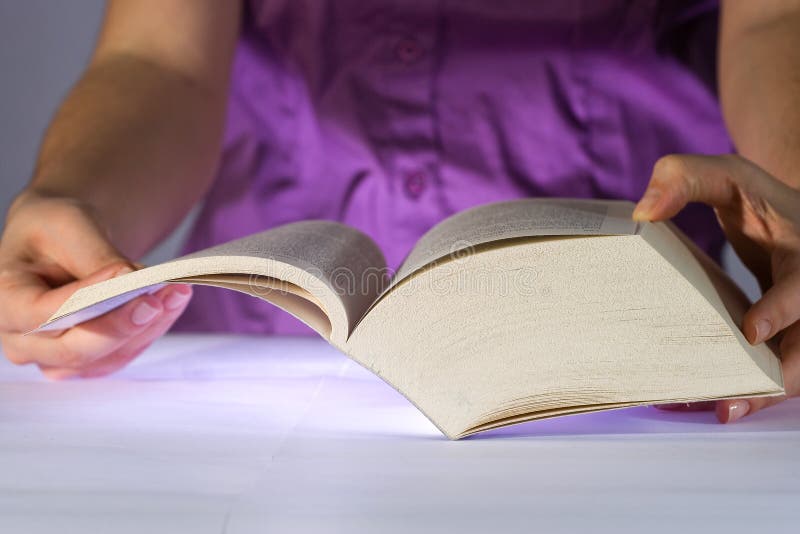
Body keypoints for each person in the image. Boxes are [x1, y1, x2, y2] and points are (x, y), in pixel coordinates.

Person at [0, 0, 798, 424]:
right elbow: (161, 56)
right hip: (268, 362)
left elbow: (774, 19)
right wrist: (75, 200)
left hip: (622, 369)